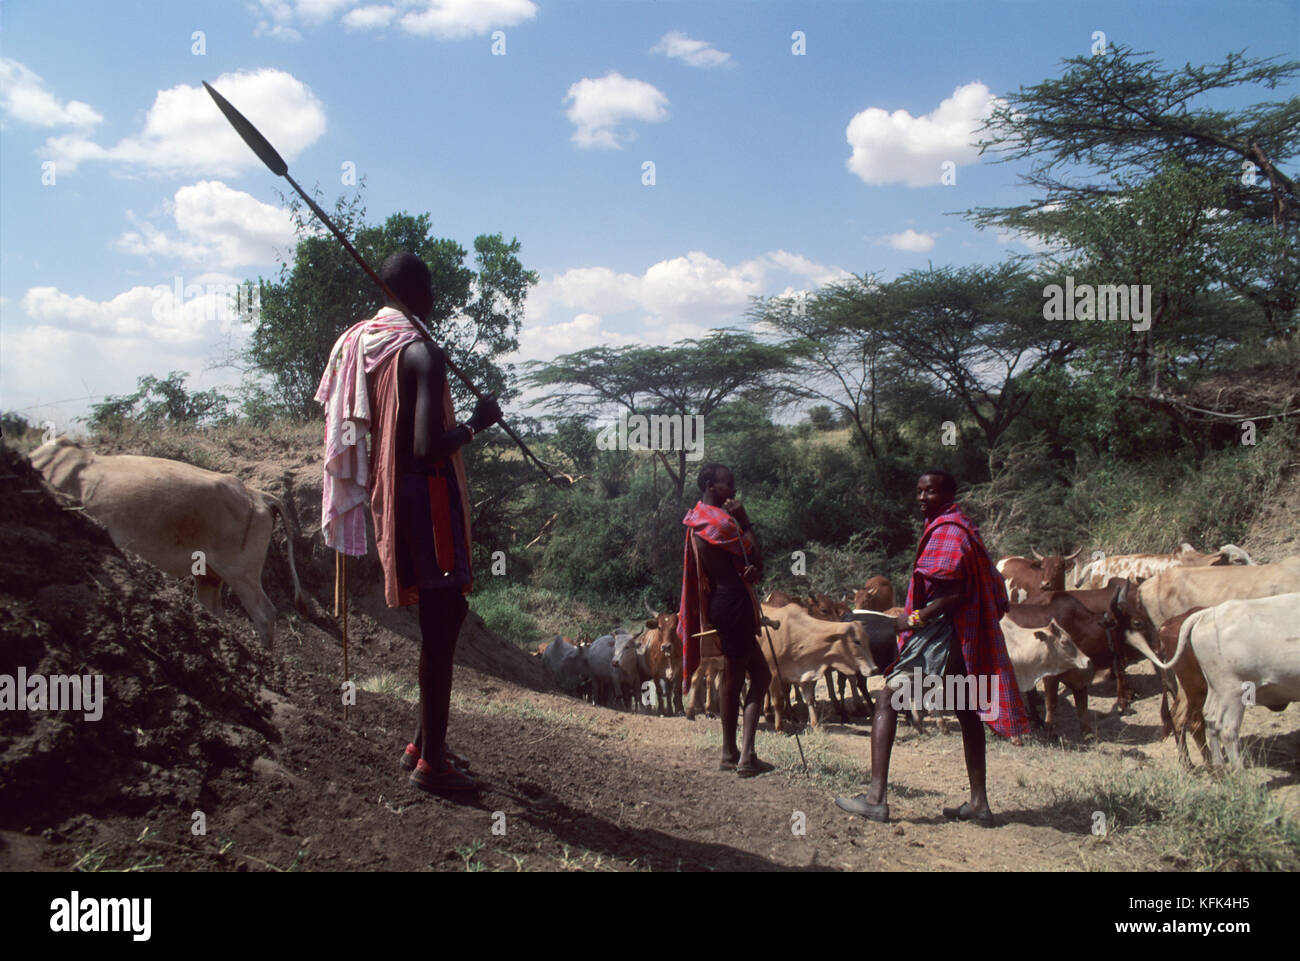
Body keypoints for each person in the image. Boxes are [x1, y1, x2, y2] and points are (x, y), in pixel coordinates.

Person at [316, 252, 502, 794]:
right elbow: (425, 447)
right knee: (440, 629)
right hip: (429, 501)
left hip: (397, 497)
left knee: (448, 615)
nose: (436, 300)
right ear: (417, 292)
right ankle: (431, 767)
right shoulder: (420, 352)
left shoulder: (371, 347)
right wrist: (476, 424)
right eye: (431, 289)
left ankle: (425, 743)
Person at [835, 469, 1029, 825]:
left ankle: (875, 799)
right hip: (962, 634)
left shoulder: (949, 532)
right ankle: (979, 804)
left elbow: (953, 593)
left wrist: (909, 620)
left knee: (887, 699)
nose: (923, 497)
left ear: (949, 494)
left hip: (942, 634)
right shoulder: (960, 527)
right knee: (967, 710)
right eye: (919, 491)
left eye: (931, 491)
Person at [678, 464, 774, 777]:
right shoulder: (720, 522)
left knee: (754, 676)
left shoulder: (697, 519)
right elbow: (756, 559)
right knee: (742, 679)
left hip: (721, 602)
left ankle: (732, 753)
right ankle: (741, 756)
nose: (732, 490)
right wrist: (746, 522)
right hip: (734, 605)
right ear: (710, 485)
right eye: (727, 484)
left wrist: (749, 571)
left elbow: (748, 568)